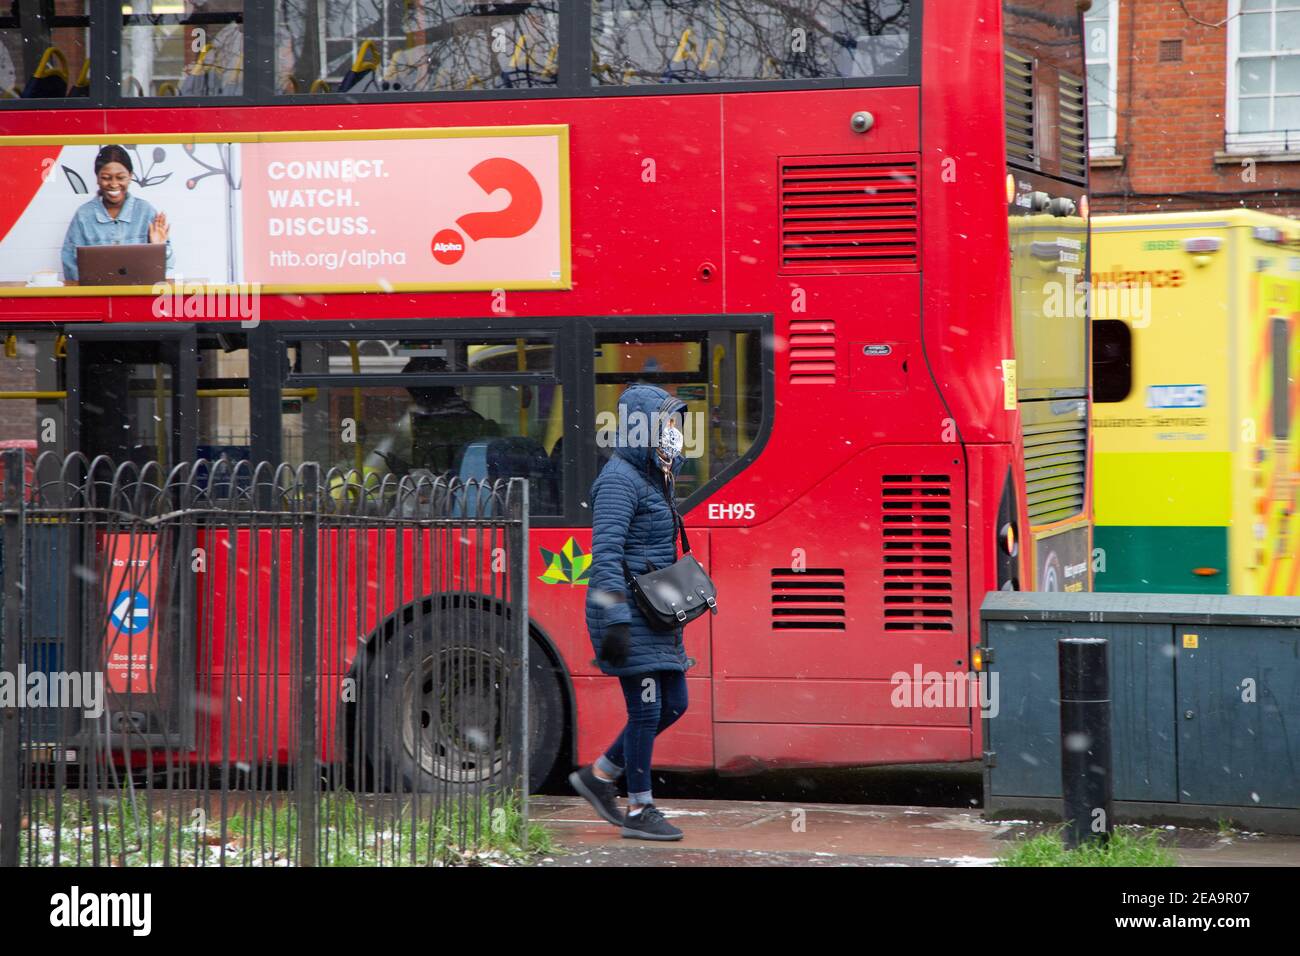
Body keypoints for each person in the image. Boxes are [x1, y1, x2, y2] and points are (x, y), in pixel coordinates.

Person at [570, 383, 691, 841]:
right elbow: (605, 556)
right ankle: (639, 808)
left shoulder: (653, 475)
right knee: (646, 712)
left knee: (675, 704)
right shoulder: (619, 480)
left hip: (655, 612)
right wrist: (616, 621)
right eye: (668, 422)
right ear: (644, 427)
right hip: (627, 614)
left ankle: (598, 776)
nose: (676, 431)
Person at [61, 145, 173, 282]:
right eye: (106, 177)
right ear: (97, 178)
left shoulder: (146, 211)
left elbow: (168, 267)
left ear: (130, 177)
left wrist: (158, 249)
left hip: (137, 296)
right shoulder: (83, 215)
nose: (114, 184)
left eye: (120, 177)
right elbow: (69, 263)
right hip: (97, 298)